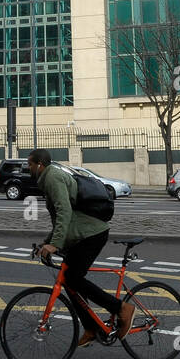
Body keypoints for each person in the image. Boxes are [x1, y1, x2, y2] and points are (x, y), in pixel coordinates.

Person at [28, 149, 134, 348]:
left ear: (40, 164)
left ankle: (121, 308)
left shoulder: (53, 178)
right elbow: (63, 218)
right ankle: (91, 328)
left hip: (92, 234)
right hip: (83, 233)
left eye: (30, 164)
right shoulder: (49, 178)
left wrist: (55, 244)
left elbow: (64, 211)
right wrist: (46, 242)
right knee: (70, 282)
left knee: (73, 278)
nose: (28, 167)